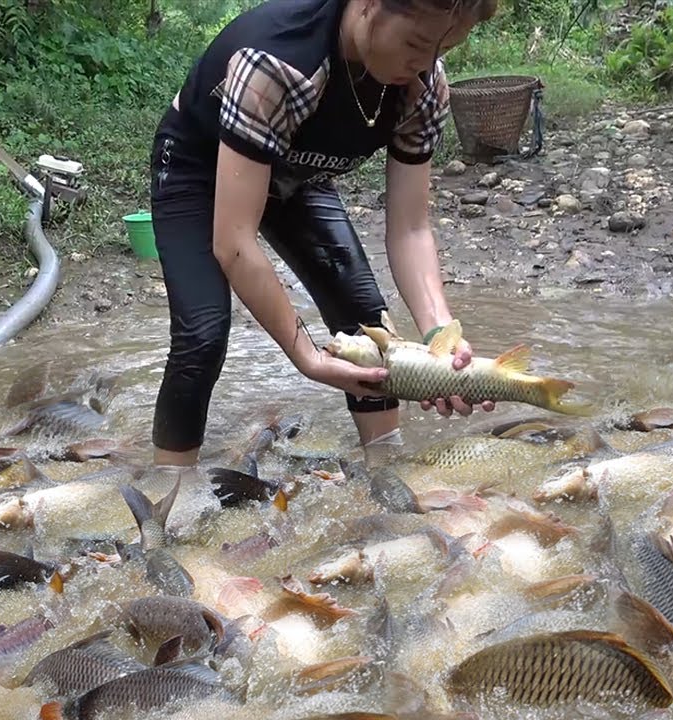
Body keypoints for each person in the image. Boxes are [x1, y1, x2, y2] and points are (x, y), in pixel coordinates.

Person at [146, 0, 500, 467]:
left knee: (367, 324)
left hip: (292, 173)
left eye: (444, 47)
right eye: (416, 43)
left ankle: (386, 476)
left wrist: (441, 336)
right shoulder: (278, 63)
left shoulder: (425, 90)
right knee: (203, 335)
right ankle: (167, 497)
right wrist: (307, 357)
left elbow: (411, 229)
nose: (425, 64)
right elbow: (234, 244)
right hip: (200, 170)